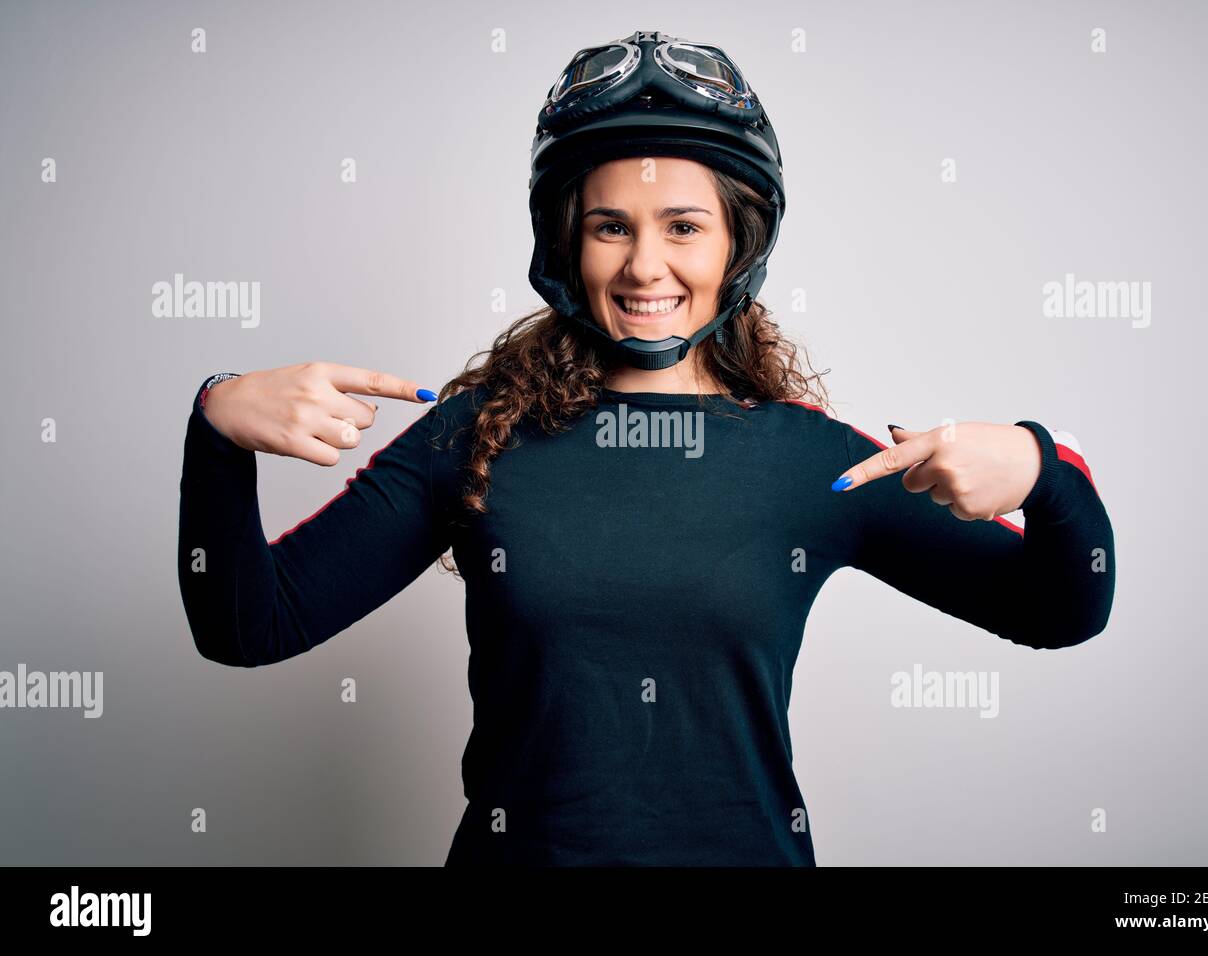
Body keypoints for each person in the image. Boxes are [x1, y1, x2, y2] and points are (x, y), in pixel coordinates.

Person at [177, 31, 1115, 866]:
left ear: (736, 247)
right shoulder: (474, 436)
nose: (644, 265)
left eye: (683, 227)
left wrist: (1043, 470)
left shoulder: (811, 460)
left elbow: (1060, 609)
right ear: (566, 245)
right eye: (610, 226)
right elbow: (248, 628)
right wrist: (218, 426)